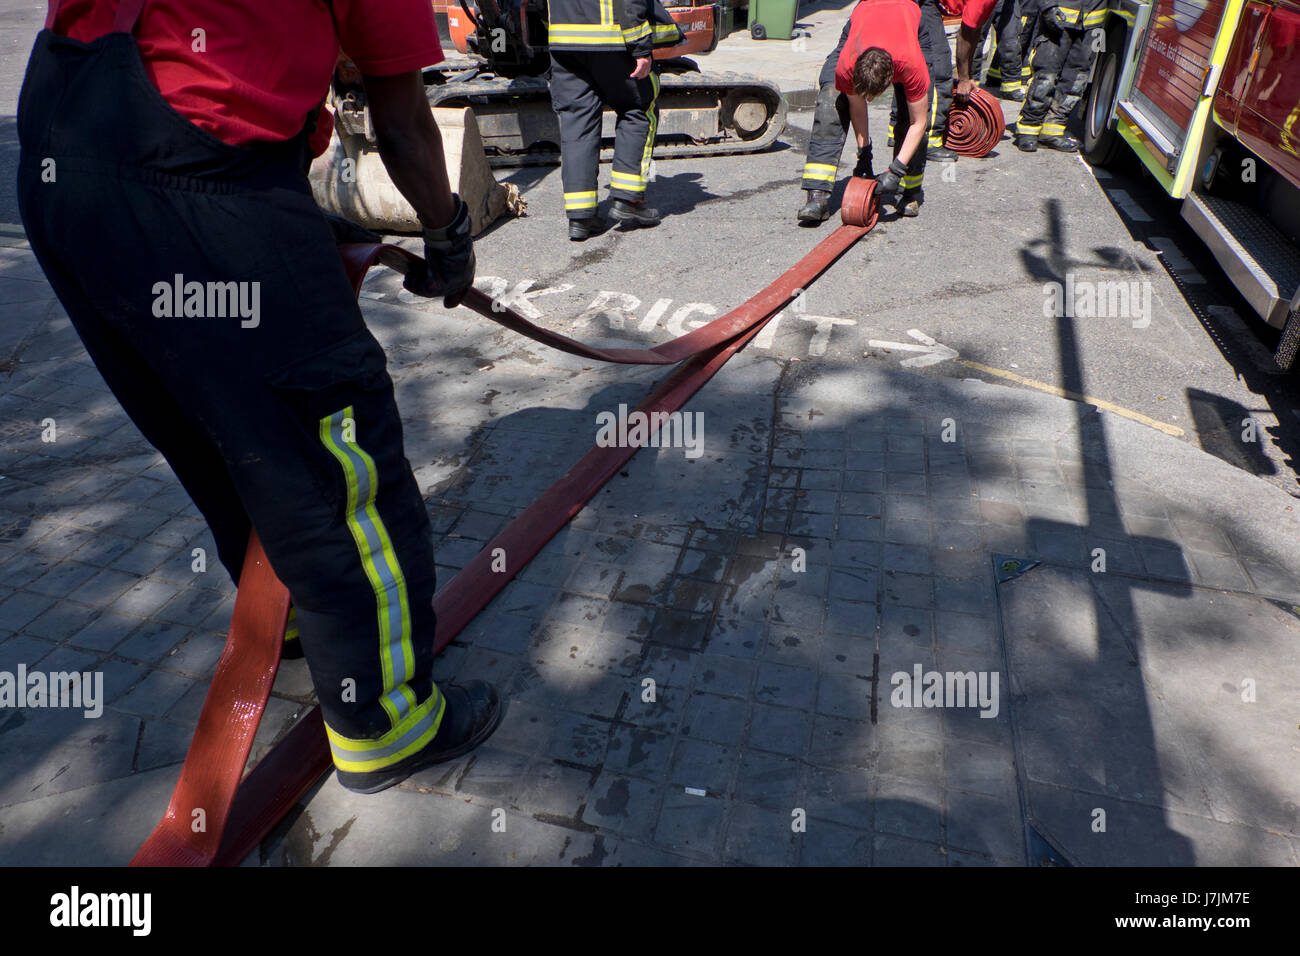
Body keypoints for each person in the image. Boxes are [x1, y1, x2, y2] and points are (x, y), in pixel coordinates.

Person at [17, 0, 502, 795]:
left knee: (218, 426)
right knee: (336, 457)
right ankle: (385, 720)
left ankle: (308, 621)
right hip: (196, 187)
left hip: (67, 171)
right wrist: (447, 232)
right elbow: (403, 115)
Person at [546, 0, 684, 240]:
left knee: (577, 121)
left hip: (564, 43)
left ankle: (581, 218)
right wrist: (640, 47)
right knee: (637, 110)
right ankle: (628, 201)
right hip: (613, 42)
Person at [797, 0, 934, 223]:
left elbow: (919, 122)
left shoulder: (911, 65)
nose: (869, 100)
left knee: (910, 112)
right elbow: (857, 108)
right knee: (830, 99)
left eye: (873, 96)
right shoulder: (847, 64)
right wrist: (864, 154)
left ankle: (908, 191)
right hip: (863, 18)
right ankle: (817, 195)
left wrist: (896, 171)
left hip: (909, 22)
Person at [1013, 1, 1105, 151]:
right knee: (1045, 75)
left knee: (1076, 80)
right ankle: (1028, 128)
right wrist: (1047, 7)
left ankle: (1052, 131)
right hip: (1058, 18)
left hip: (1093, 25)